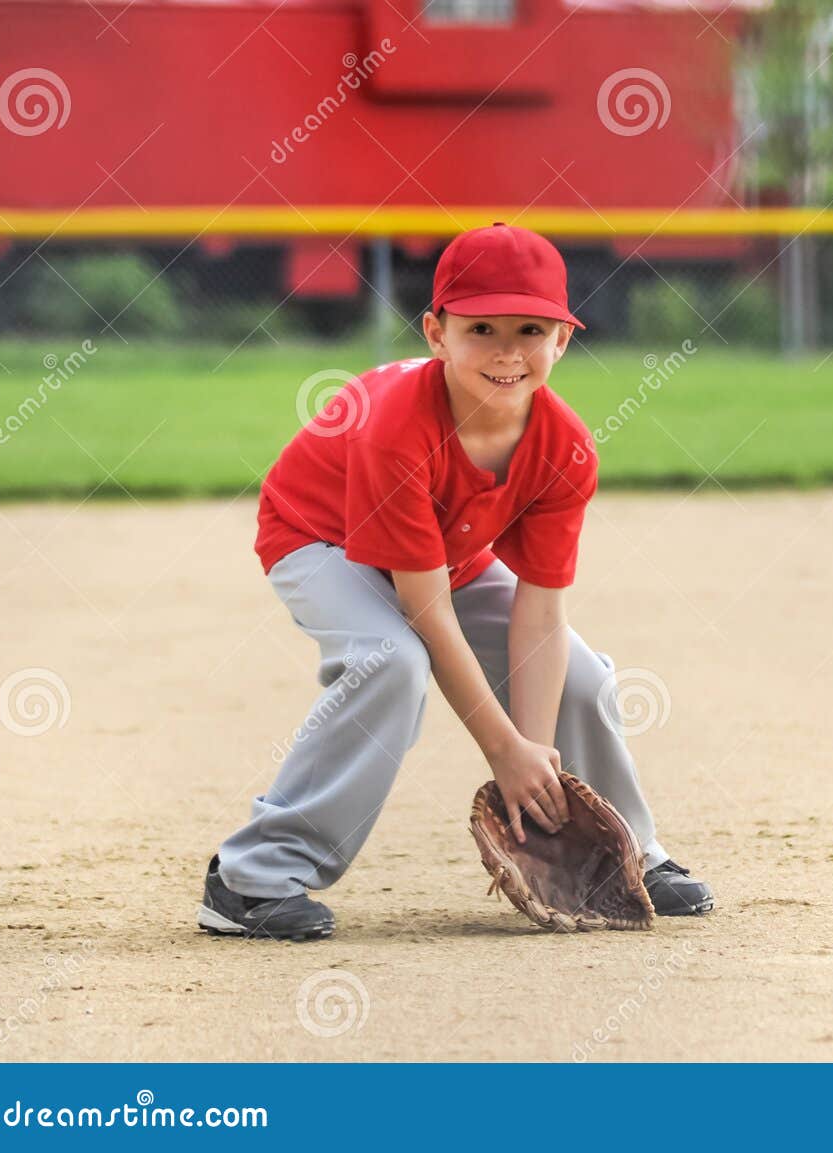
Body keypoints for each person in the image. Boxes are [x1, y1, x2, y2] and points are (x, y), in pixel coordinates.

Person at [197, 223, 712, 940]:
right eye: (482, 328)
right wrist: (503, 752)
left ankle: (632, 853)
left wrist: (538, 779)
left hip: (444, 555)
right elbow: (426, 611)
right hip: (321, 536)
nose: (507, 351)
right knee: (391, 661)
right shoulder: (396, 427)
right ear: (437, 333)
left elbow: (540, 613)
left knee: (585, 680)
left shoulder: (564, 446)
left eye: (530, 328)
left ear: (563, 339)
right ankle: (252, 878)